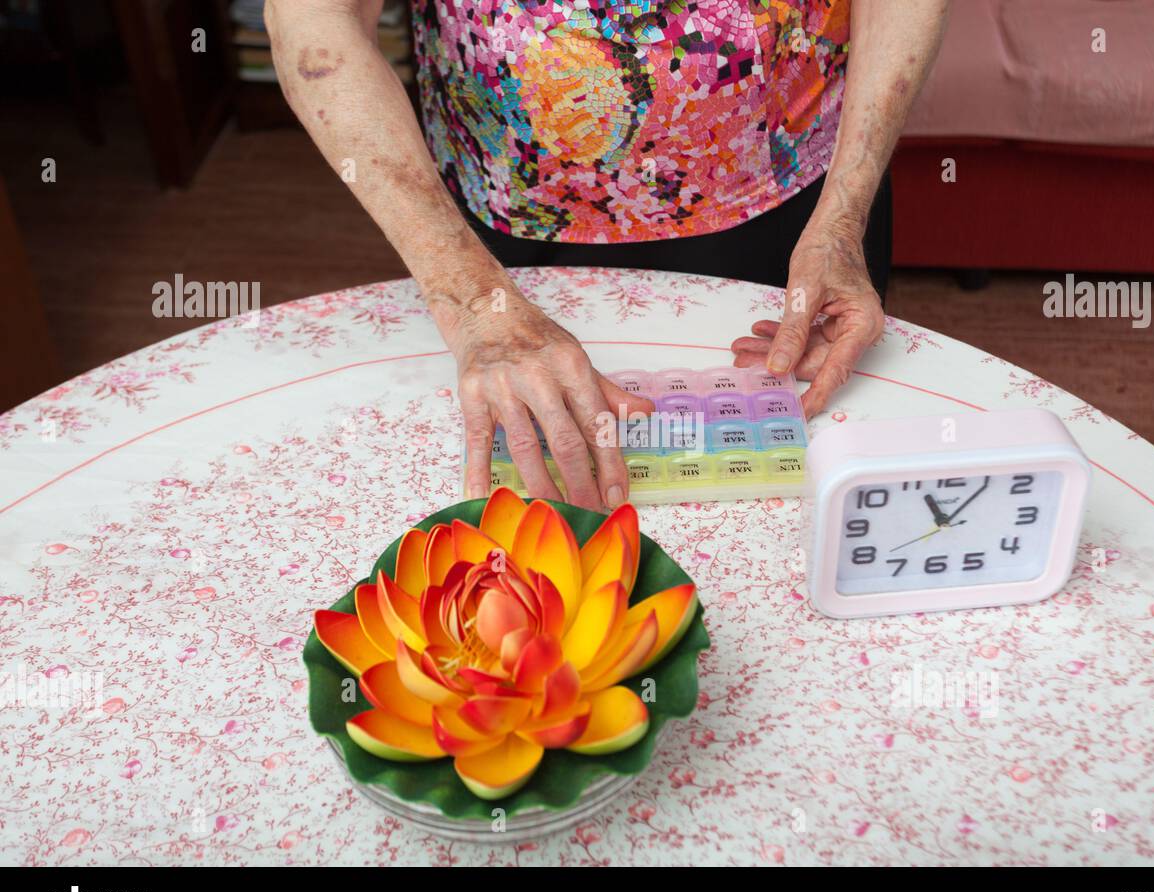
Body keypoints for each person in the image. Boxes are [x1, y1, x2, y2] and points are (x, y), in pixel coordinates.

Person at [265, 0, 949, 510]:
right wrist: (472, 300)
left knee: (781, 510)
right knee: (534, 516)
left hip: (797, 207)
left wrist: (843, 215)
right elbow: (313, 23)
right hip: (497, 240)